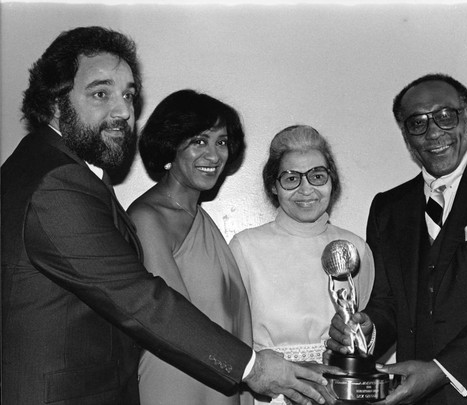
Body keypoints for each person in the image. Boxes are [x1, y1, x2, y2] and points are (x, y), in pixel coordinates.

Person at [1, 26, 337, 405]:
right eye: (101, 93)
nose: (125, 111)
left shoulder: (57, 170)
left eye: (129, 95)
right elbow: (141, 300)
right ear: (53, 102)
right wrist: (252, 368)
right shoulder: (56, 181)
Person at [327, 73, 467, 405]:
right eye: (417, 123)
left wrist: (441, 370)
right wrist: (366, 329)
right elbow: (386, 303)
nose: (433, 131)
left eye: (445, 116)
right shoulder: (387, 208)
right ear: (406, 136)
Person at [229, 125, 375, 404]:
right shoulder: (245, 247)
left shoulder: (355, 248)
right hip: (270, 396)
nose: (306, 189)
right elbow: (233, 338)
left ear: (332, 181)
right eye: (291, 178)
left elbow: (362, 326)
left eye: (317, 176)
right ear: (273, 185)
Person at [127, 89, 253, 405]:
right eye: (199, 141)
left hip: (221, 381)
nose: (214, 155)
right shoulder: (148, 218)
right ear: (170, 144)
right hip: (175, 385)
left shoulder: (200, 217)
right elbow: (174, 325)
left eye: (221, 142)